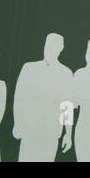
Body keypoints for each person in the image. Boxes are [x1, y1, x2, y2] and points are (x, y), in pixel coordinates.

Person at [13, 33, 74, 162]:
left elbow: (67, 106)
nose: (49, 49)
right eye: (48, 44)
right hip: (30, 129)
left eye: (54, 46)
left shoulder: (66, 73)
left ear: (61, 48)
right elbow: (19, 99)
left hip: (51, 132)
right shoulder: (29, 68)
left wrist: (68, 134)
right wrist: (18, 124)